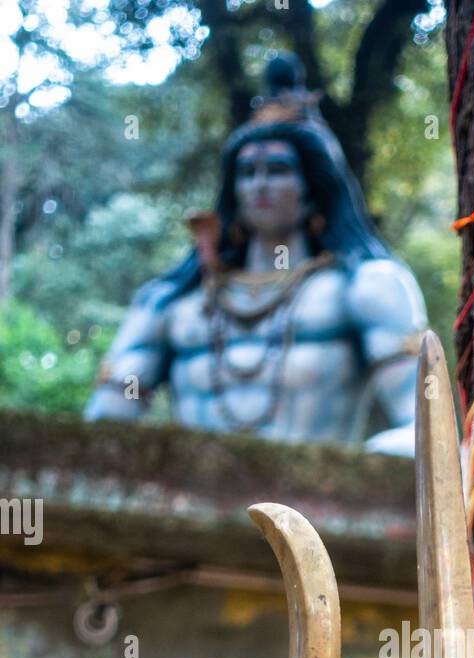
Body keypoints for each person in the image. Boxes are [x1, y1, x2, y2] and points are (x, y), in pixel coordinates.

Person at [85, 55, 427, 456]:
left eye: (278, 170)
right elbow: (102, 430)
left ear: (313, 188)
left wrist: (371, 472)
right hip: (187, 510)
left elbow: (422, 433)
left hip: (319, 511)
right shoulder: (172, 302)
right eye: (248, 173)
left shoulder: (367, 288)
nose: (260, 185)